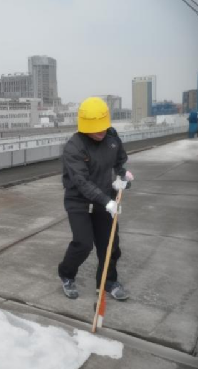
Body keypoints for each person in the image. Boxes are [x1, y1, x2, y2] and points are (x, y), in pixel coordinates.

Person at [58, 97, 134, 300]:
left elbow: (119, 162)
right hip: (79, 201)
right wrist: (107, 201)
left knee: (110, 244)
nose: (101, 131)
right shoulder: (74, 147)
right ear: (85, 127)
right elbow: (81, 182)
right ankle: (66, 274)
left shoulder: (111, 137)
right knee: (83, 244)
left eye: (103, 127)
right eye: (96, 128)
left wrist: (122, 177)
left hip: (105, 198)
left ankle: (108, 281)